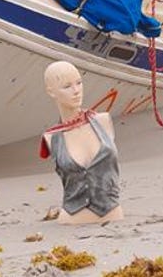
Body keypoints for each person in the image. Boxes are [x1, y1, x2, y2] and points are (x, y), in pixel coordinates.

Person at [39, 61, 123, 224]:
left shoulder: (103, 121)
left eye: (79, 83)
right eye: (67, 86)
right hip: (71, 220)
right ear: (51, 91)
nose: (76, 91)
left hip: (113, 215)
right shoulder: (51, 138)